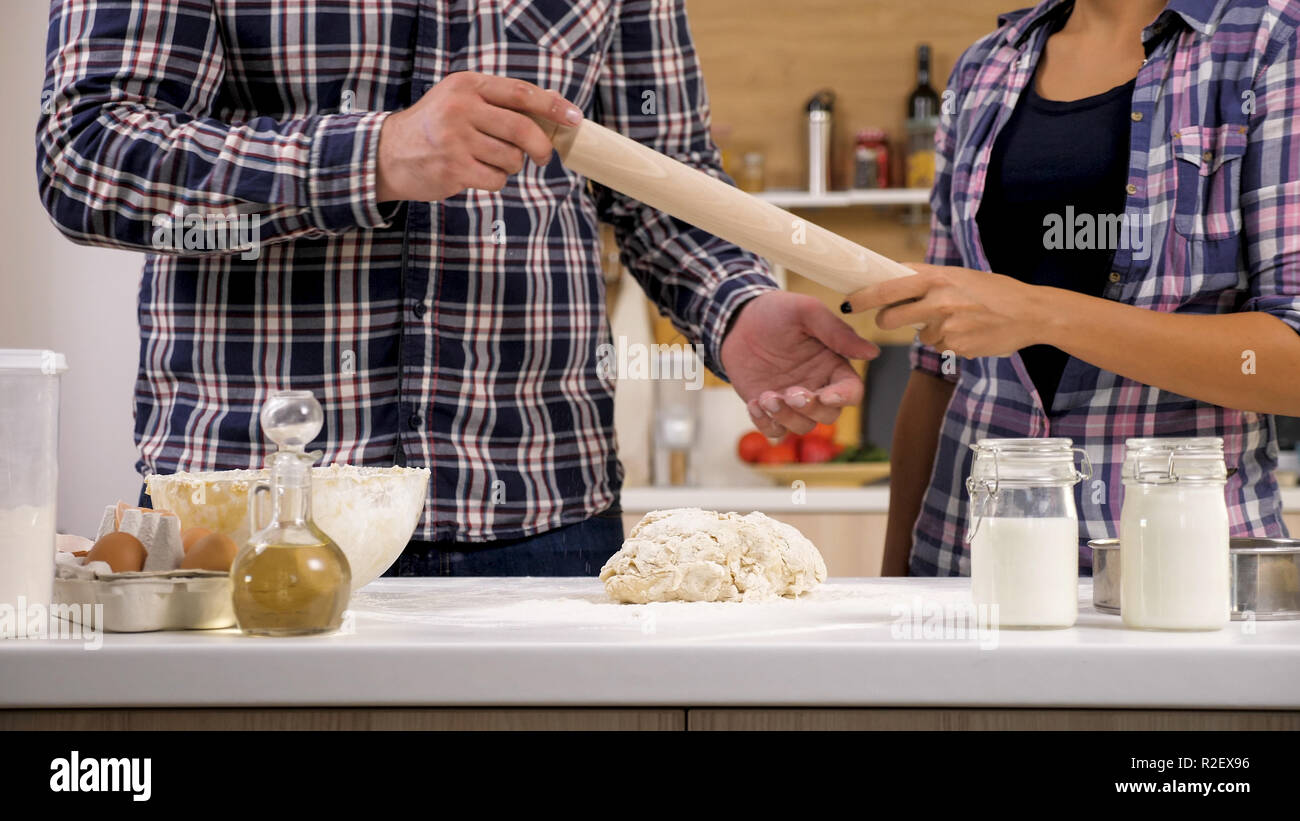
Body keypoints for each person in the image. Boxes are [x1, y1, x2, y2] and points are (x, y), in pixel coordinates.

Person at [37, 0, 878, 575]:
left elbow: (662, 179)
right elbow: (85, 155)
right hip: (245, 517)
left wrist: (734, 305)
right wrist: (371, 157)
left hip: (545, 523)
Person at [843, 0, 1300, 576]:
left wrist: (1042, 314)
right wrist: (897, 580)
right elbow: (937, 368)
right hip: (963, 569)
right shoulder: (987, 65)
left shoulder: (1271, 41)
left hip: (1177, 576)